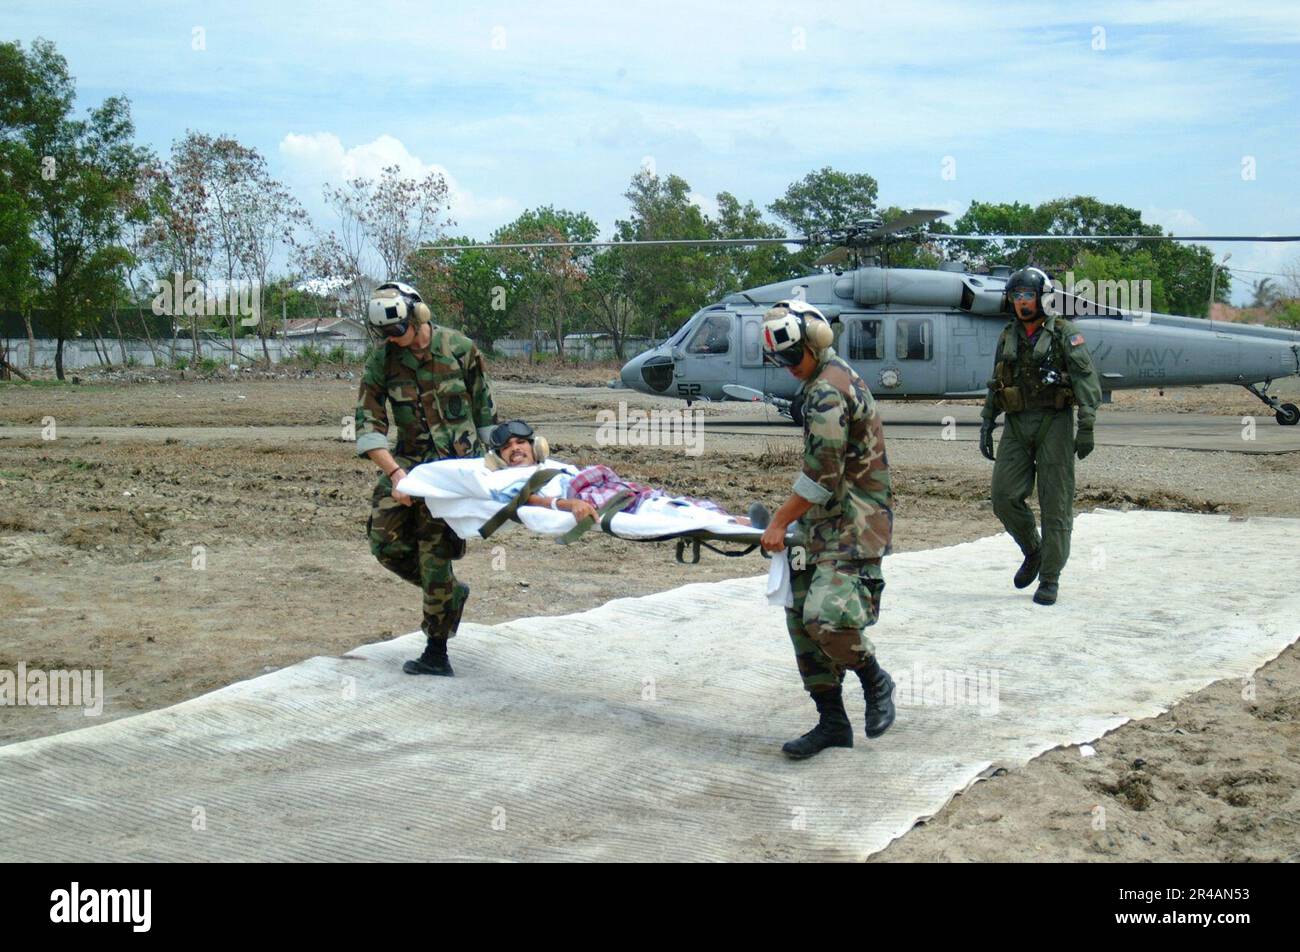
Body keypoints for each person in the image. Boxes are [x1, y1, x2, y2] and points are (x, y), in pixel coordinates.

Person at [756, 300, 896, 760]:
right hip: (823, 522)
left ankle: (874, 678)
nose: (788, 368)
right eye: (780, 360)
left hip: (852, 525)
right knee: (800, 622)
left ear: (815, 345)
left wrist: (779, 521)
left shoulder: (827, 392)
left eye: (794, 357)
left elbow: (822, 475)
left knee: (825, 618)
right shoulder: (825, 378)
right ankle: (833, 722)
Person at [354, 281, 497, 677]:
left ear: (419, 315)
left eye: (399, 331)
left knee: (434, 558)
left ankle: (436, 651)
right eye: (386, 335)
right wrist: (395, 474)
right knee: (384, 545)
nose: (395, 341)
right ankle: (450, 594)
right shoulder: (382, 361)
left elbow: (486, 416)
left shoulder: (460, 350)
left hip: (453, 472)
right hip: (409, 465)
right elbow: (367, 423)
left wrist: (499, 469)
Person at [978, 267, 1102, 606]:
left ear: (1042, 298)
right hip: (1017, 424)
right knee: (1003, 496)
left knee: (1055, 503)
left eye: (1027, 295)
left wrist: (1087, 425)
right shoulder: (1008, 336)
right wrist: (987, 421)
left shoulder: (1065, 333)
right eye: (1016, 296)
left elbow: (1086, 381)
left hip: (1055, 425)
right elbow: (997, 380)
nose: (1022, 302)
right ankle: (1032, 550)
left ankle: (1049, 577)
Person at [484, 420, 764, 525]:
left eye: (521, 442)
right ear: (499, 458)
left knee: (681, 504)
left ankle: (753, 524)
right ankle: (754, 527)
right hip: (603, 502)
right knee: (681, 514)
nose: (516, 449)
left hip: (619, 491)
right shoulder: (507, 477)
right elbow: (525, 500)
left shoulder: (553, 464)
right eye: (508, 448)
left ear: (536, 446)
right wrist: (569, 504)